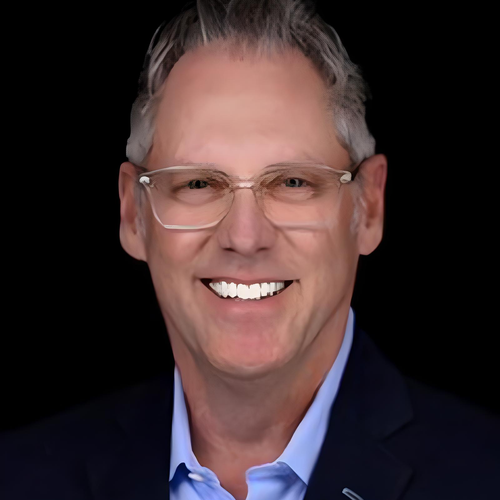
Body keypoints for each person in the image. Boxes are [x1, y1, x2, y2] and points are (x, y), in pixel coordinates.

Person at [1, 1, 498, 499]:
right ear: (134, 215)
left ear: (368, 209)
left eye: (292, 182)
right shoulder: (19, 478)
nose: (244, 237)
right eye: (198, 183)